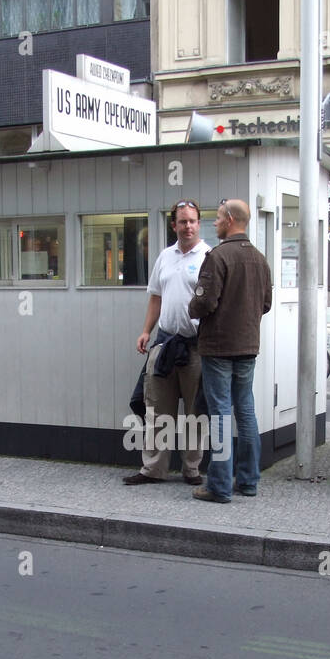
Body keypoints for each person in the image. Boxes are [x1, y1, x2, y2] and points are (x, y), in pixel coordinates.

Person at [188, 199, 272, 503]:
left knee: (220, 414)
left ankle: (219, 486)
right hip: (248, 346)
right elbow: (266, 304)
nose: (215, 223)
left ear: (232, 219)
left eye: (219, 218)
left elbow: (205, 302)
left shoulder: (218, 257)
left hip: (219, 347)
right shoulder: (260, 260)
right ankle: (248, 481)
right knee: (246, 411)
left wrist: (191, 307)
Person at [124, 199, 211, 486]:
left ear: (199, 223)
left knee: (195, 413)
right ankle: (153, 469)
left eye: (193, 221)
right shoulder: (165, 256)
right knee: (158, 410)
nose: (188, 226)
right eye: (183, 221)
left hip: (195, 346)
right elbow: (156, 297)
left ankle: (192, 469)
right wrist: (146, 330)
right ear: (173, 225)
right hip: (164, 343)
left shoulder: (209, 257)